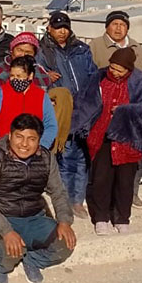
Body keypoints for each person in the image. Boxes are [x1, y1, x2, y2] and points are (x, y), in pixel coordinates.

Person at [0, 114, 76, 283]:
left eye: (31, 139)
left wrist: (64, 221)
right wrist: (6, 231)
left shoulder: (46, 158)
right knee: (10, 255)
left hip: (33, 217)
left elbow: (58, 191)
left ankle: (32, 261)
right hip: (1, 217)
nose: (24, 144)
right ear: (10, 135)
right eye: (19, 137)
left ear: (38, 141)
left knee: (64, 245)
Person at [74, 48, 142, 235]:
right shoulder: (99, 77)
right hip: (101, 135)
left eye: (119, 70)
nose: (114, 72)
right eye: (112, 67)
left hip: (127, 137)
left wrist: (125, 110)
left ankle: (122, 218)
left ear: (128, 69)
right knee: (101, 180)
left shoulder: (140, 81)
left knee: (124, 181)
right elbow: (84, 100)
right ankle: (101, 218)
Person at [89, 10, 142, 209]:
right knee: (104, 158)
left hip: (131, 111)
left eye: (122, 24)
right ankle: (102, 199)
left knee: (132, 156)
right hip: (105, 110)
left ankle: (130, 194)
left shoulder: (137, 47)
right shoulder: (96, 46)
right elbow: (90, 74)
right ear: (107, 26)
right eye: (114, 24)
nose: (119, 28)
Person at [36, 11, 98, 216]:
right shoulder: (42, 51)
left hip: (84, 109)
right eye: (57, 27)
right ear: (49, 28)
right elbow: (35, 74)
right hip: (60, 110)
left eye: (65, 27)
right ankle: (65, 200)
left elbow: (92, 75)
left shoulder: (82, 49)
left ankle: (78, 200)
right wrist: (45, 77)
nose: (62, 32)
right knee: (64, 157)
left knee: (82, 157)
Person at [0, 56, 58, 155]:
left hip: (31, 152)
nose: (15, 79)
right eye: (12, 76)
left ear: (30, 76)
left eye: (19, 76)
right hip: (1, 150)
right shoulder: (0, 93)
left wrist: (41, 147)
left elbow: (51, 126)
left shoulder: (41, 96)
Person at [0, 32, 54, 100]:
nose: (23, 55)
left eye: (28, 52)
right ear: (12, 50)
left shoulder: (41, 73)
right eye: (19, 50)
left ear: (34, 55)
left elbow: (49, 99)